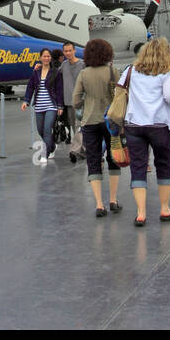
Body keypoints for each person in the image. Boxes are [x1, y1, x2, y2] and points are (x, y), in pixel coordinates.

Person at [120, 36, 170, 225]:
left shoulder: (131, 70)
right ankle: (164, 209)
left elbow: (120, 89)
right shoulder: (165, 73)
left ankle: (141, 212)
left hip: (134, 124)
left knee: (138, 166)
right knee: (163, 164)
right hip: (158, 124)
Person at [71, 38, 122, 216]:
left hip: (89, 122)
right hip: (110, 121)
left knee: (93, 160)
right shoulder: (112, 71)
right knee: (114, 158)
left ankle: (99, 204)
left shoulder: (84, 74)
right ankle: (113, 200)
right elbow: (119, 96)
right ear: (107, 53)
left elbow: (75, 100)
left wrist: (86, 104)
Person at [21, 47, 64, 160]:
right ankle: (52, 146)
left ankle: (45, 153)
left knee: (47, 129)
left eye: (48, 56)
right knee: (40, 130)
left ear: (50, 58)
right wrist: (26, 100)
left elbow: (59, 89)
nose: (46, 58)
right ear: (40, 58)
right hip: (39, 105)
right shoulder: (36, 72)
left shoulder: (55, 72)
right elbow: (30, 87)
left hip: (51, 105)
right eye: (44, 56)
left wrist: (60, 106)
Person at [58, 41, 85, 163]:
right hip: (68, 102)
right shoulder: (63, 65)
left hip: (81, 102)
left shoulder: (82, 65)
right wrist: (40, 67)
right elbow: (54, 75)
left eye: (70, 50)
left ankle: (74, 150)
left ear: (74, 51)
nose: (68, 53)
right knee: (75, 127)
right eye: (66, 51)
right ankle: (83, 151)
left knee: (79, 126)